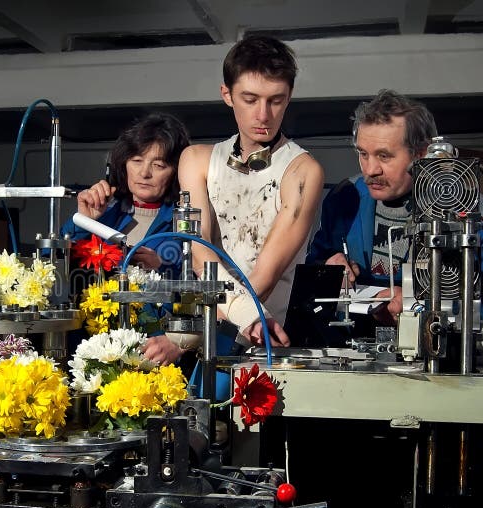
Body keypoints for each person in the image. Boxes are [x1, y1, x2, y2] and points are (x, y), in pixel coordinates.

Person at [156, 34, 324, 361]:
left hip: (265, 339)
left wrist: (187, 336)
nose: (263, 115)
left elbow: (264, 277)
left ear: (288, 98)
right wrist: (193, 334)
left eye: (276, 100)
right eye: (250, 99)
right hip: (206, 325)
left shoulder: (303, 171)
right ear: (227, 95)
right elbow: (198, 252)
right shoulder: (197, 160)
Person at [307, 89, 483, 326]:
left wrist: (415, 305)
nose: (371, 170)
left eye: (384, 156)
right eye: (363, 154)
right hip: (353, 347)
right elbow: (312, 273)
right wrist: (326, 271)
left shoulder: (472, 213)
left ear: (421, 154)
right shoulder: (344, 198)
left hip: (433, 350)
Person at [61, 113, 190, 278]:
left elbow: (200, 281)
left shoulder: (186, 223)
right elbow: (52, 263)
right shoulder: (104, 210)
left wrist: (161, 269)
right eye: (137, 161)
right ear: (124, 164)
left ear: (177, 172)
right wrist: (83, 222)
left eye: (158, 165)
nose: (144, 173)